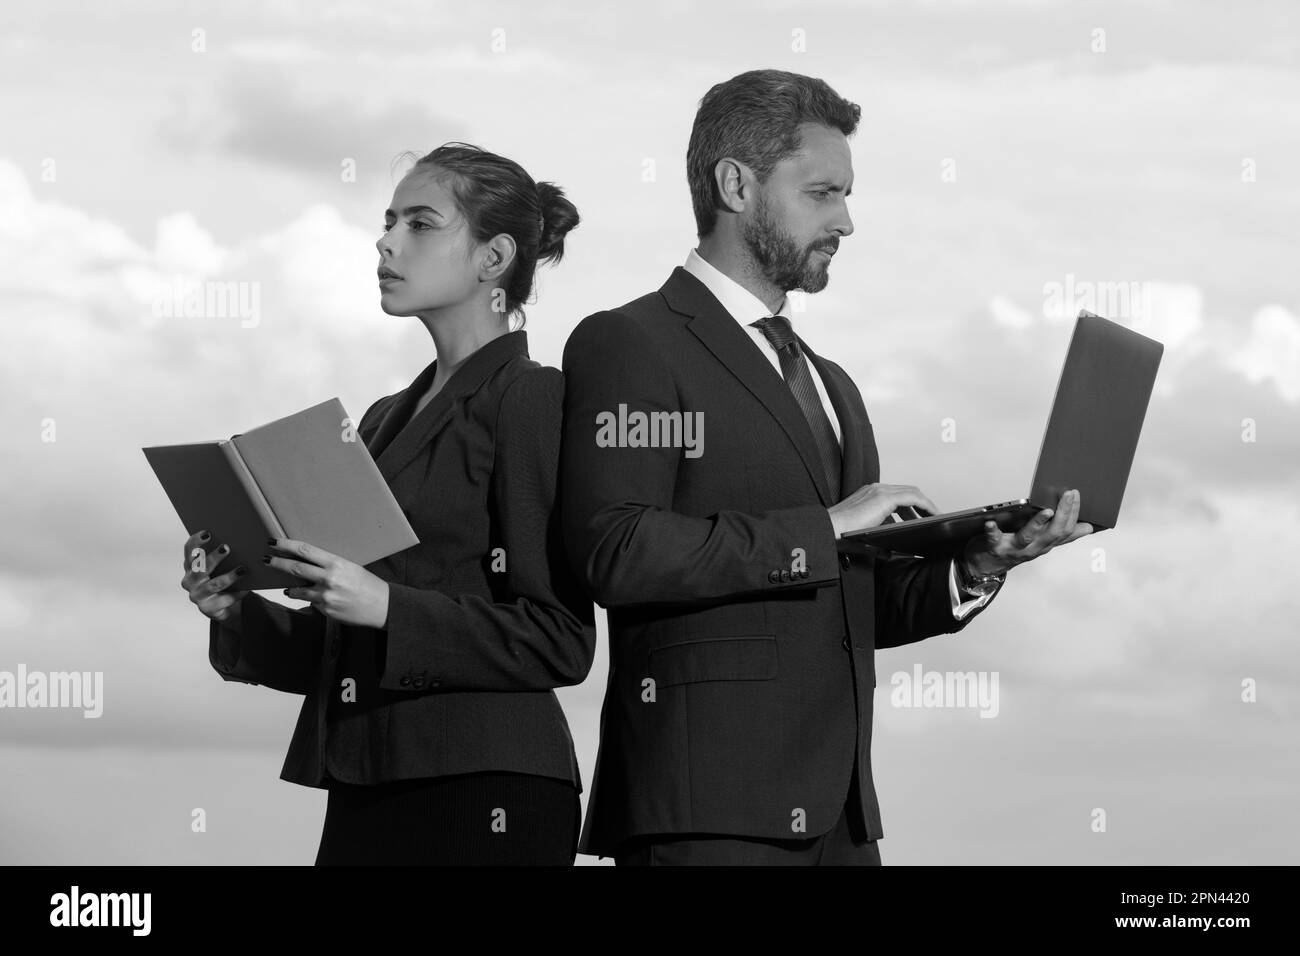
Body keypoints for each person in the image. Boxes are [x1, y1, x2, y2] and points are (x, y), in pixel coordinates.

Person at [559, 70, 1092, 865]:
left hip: (843, 821)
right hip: (707, 815)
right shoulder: (631, 344)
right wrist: (830, 525)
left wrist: (976, 565)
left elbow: (847, 607)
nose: (846, 220)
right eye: (822, 193)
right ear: (735, 184)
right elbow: (617, 549)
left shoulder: (832, 384)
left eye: (845, 195)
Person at [182, 142, 595, 865]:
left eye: (420, 224)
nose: (386, 240)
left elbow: (558, 637)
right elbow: (344, 642)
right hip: (366, 781)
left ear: (493, 259)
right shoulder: (379, 420)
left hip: (484, 789)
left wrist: (387, 606)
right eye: (388, 221)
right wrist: (237, 609)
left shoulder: (531, 399)